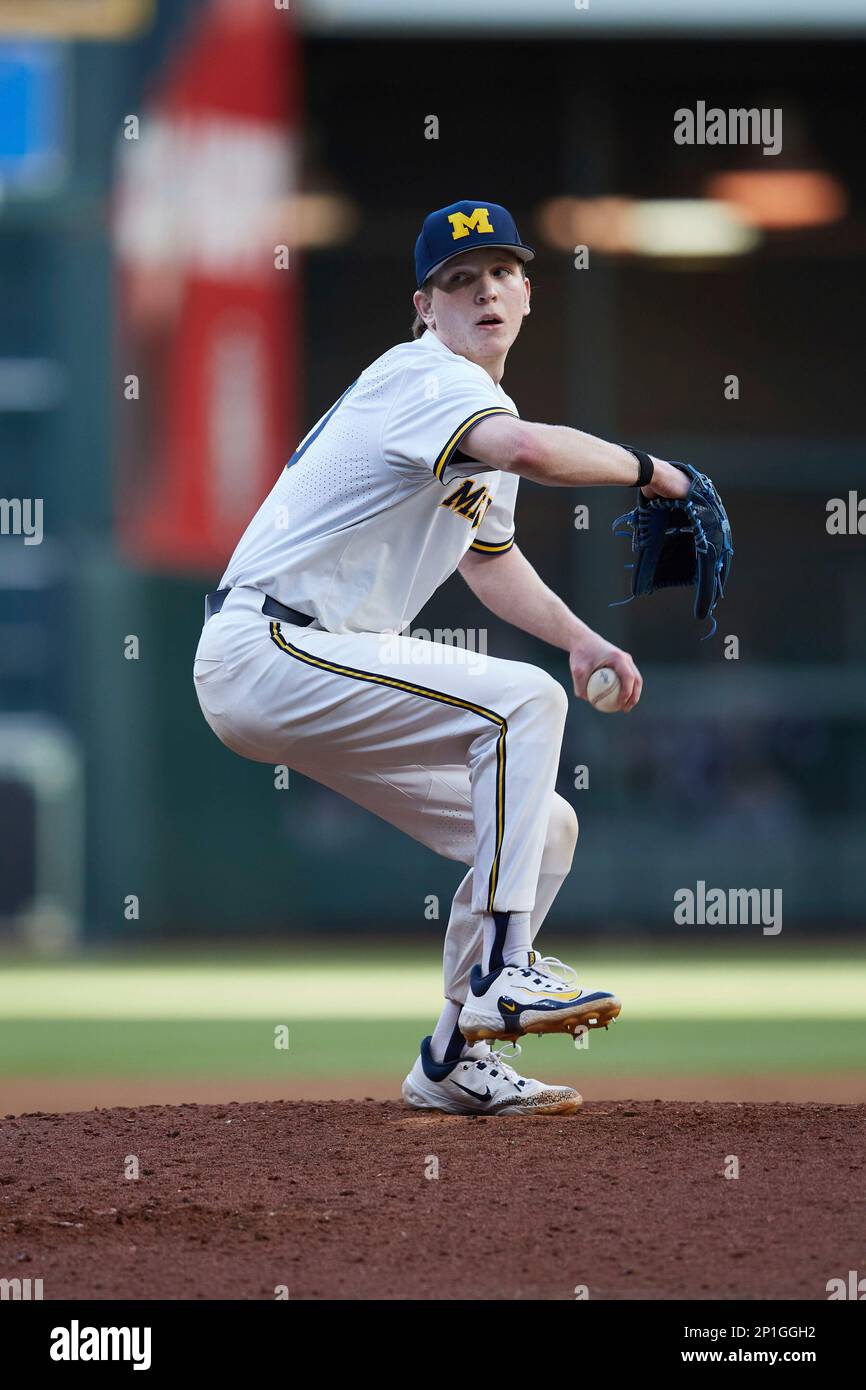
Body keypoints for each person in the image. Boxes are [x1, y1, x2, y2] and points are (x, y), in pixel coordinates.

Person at [193, 199, 690, 1116]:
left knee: (546, 828)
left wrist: (582, 638)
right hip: (270, 645)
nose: (484, 291)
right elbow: (535, 449)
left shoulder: (476, 411)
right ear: (425, 306)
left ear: (530, 293)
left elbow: (488, 561)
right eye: (460, 281)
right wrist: (659, 472)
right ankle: (508, 977)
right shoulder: (423, 378)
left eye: (500, 273)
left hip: (315, 660)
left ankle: (454, 1054)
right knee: (521, 701)